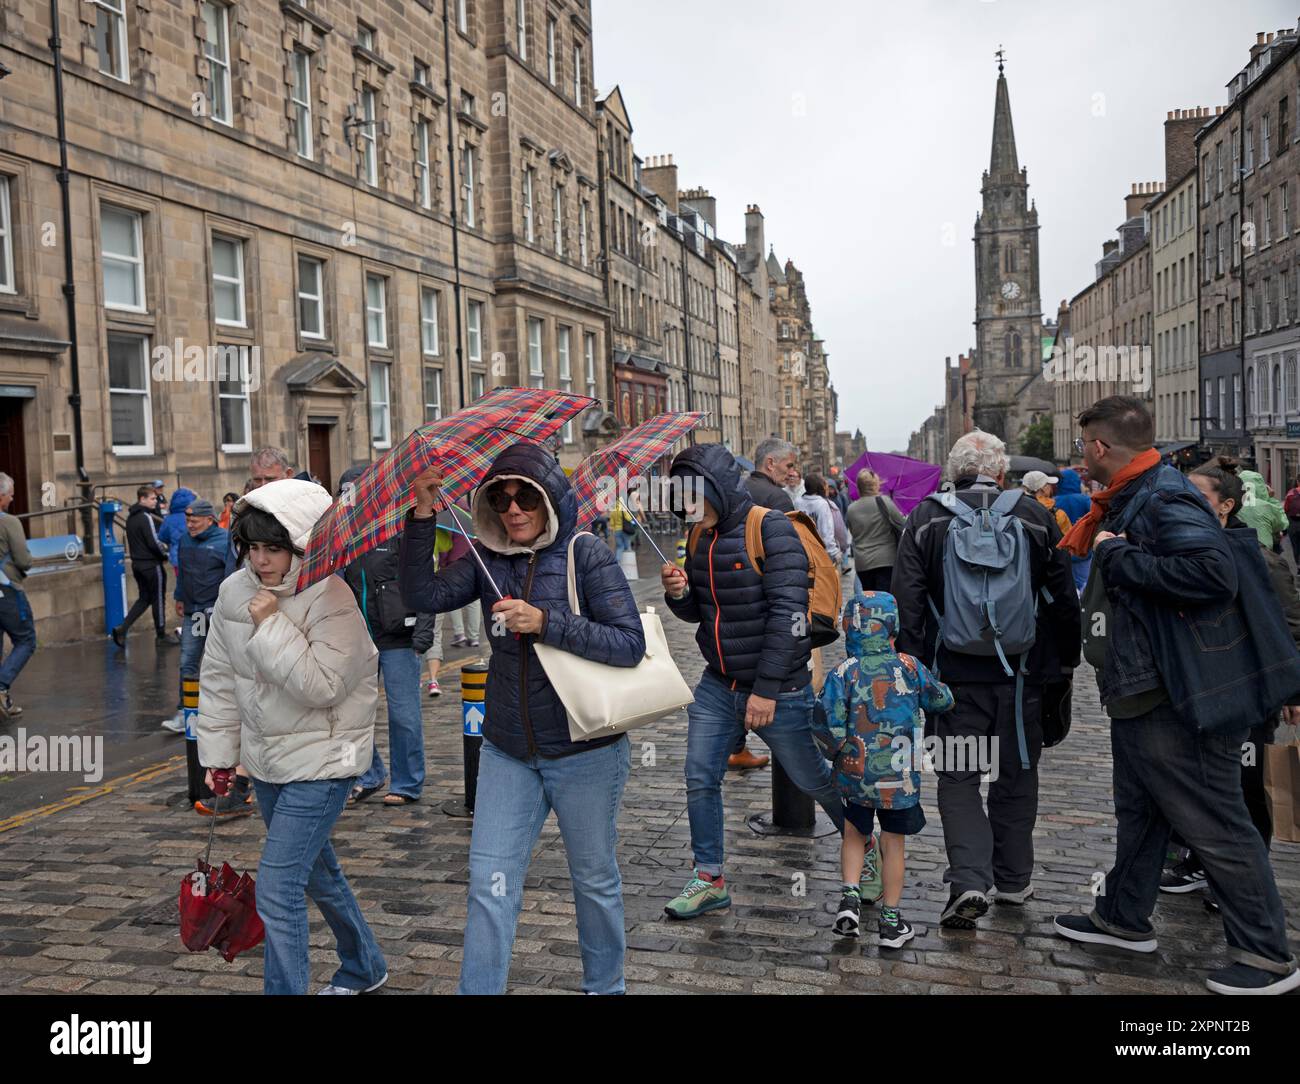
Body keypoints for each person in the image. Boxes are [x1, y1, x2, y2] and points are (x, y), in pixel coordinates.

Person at [1052, 395, 1299, 996]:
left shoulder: (1163, 496)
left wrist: (1119, 554)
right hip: (1143, 689)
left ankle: (1266, 955)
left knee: (1214, 819)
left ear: (1102, 446)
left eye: (1085, 446)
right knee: (1141, 810)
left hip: (1177, 692)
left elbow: (1211, 575)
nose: (1081, 459)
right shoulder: (1139, 493)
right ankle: (1122, 917)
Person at [400, 442, 645, 995]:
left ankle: (606, 988)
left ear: (549, 500)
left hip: (585, 749)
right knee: (490, 883)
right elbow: (421, 594)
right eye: (502, 498)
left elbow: (629, 643)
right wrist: (421, 517)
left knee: (594, 881)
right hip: (507, 749)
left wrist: (546, 621)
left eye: (525, 498)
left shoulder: (587, 555)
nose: (513, 510)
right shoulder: (489, 562)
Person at [196, 478, 387, 995]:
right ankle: (365, 966)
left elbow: (322, 685)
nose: (261, 561)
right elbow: (218, 677)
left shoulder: (332, 595)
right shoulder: (233, 592)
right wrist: (218, 758)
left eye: (274, 549)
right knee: (319, 874)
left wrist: (271, 627)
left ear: (301, 544)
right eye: (253, 548)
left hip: (324, 761)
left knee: (278, 889)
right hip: (266, 764)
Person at [892, 430, 1080, 928]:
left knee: (959, 778)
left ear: (954, 473)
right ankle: (1014, 880)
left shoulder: (926, 519)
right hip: (1022, 675)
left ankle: (969, 881)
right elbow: (1063, 600)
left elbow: (906, 605)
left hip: (953, 678)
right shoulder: (1037, 516)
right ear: (1002, 473)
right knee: (1017, 773)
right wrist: (1065, 665)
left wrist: (913, 670)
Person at [660, 444, 847, 919]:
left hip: (779, 686)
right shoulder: (699, 536)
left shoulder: (770, 527)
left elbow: (789, 618)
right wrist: (677, 593)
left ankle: (861, 850)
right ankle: (709, 878)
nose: (686, 505)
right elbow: (700, 614)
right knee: (700, 775)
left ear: (716, 487)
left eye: (692, 494)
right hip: (718, 683)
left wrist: (764, 690)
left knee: (813, 778)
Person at [1160, 457, 1300, 898]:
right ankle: (1198, 863)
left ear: (1226, 507)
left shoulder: (1259, 560)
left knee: (1245, 788)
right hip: (1196, 692)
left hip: (1247, 695)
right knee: (1199, 785)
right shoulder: (1180, 552)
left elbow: (1289, 626)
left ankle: (1243, 885)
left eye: (1197, 497)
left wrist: (1294, 690)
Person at [816, 590, 954, 946]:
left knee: (854, 835)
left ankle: (849, 900)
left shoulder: (843, 672)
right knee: (894, 845)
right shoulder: (909, 667)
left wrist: (836, 754)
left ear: (849, 629)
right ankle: (891, 922)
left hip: (855, 775)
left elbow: (825, 725)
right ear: (892, 629)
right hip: (899, 779)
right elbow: (941, 699)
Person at [337, 466, 437, 806]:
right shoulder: (342, 537)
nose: (350, 500)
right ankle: (367, 774)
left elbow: (423, 580)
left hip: (398, 636)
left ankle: (407, 783)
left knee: (403, 715)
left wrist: (422, 635)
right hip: (356, 638)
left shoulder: (399, 528)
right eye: (345, 494)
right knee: (350, 715)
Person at [164, 500, 229, 742]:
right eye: (187, 520)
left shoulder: (225, 540)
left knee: (221, 662)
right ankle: (185, 712)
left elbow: (232, 576)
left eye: (194, 520)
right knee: (188, 661)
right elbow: (182, 572)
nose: (189, 524)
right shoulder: (185, 540)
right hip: (195, 613)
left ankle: (223, 713)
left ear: (209, 519)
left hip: (217, 611)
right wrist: (179, 597)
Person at [112, 486, 172, 647]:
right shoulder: (145, 517)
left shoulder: (131, 518)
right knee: (158, 599)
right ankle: (161, 635)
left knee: (144, 599)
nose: (155, 502)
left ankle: (122, 628)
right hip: (151, 565)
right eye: (152, 499)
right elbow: (153, 542)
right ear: (142, 499)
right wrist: (165, 555)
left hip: (137, 564)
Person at [0, 473, 35, 718]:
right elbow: (24, 559)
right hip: (7, 589)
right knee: (26, 640)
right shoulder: (9, 522)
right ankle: (1, 688)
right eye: (10, 494)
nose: (13, 498)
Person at [847, 468, 905, 593]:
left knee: (870, 600)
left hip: (863, 563)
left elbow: (853, 532)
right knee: (884, 601)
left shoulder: (851, 509)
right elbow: (902, 525)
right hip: (886, 561)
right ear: (875, 485)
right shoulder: (885, 502)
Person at [1054, 468, 1093, 594]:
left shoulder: (1054, 501)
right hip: (1083, 550)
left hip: (1061, 552)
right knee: (1085, 586)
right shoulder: (1084, 499)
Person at [1237, 468, 1289, 552]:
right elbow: (1282, 524)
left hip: (1239, 551)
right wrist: (1270, 499)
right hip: (1263, 551)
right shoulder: (1264, 505)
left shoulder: (1232, 504)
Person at [796, 473, 842, 565]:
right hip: (819, 552)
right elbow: (826, 531)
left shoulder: (797, 502)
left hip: (802, 549)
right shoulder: (822, 504)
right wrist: (834, 552)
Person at [747, 437, 797, 513]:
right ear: (770, 464)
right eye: (789, 466)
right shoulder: (778, 498)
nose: (791, 473)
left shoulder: (739, 489)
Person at [1021, 470, 1071, 536]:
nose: (1051, 487)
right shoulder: (1059, 514)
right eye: (1049, 484)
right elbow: (1067, 540)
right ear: (1043, 488)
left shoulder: (1019, 509)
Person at [1284, 476, 1300, 565]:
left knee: (1295, 545)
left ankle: (1298, 567)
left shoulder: (1290, 493)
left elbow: (1286, 509)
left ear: (1298, 481)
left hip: (1293, 523)